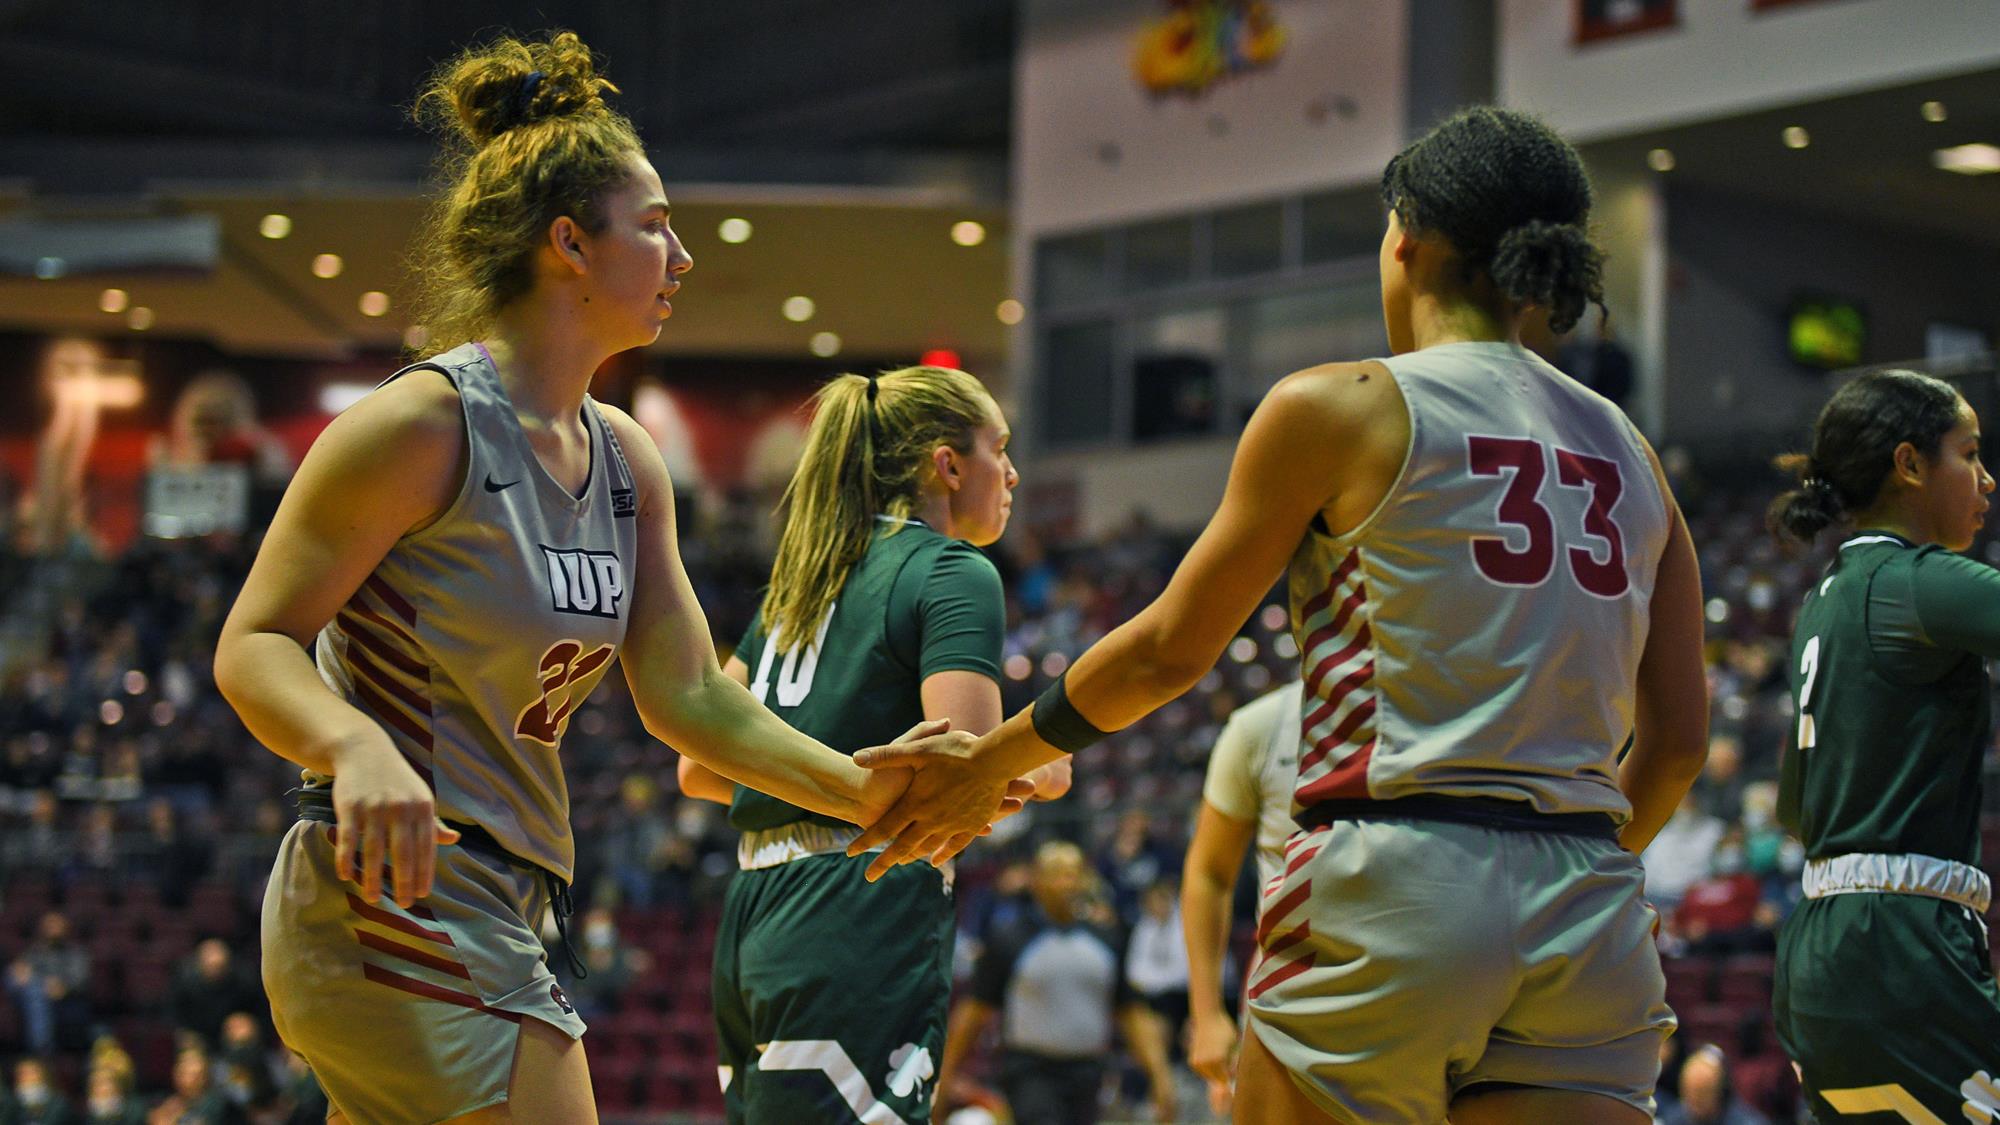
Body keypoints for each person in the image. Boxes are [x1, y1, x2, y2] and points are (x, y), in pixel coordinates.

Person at [210, 32, 1017, 1125]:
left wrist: (860, 791)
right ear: (567, 247)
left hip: (508, 896)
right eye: (653, 226)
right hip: (387, 891)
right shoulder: (419, 425)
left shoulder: (628, 460)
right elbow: (253, 642)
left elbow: (690, 698)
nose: (682, 256)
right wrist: (352, 744)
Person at [855, 105, 1710, 1124]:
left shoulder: (1340, 405)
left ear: (1406, 241)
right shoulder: (1631, 451)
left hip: (1398, 876)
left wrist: (983, 767)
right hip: (1587, 903)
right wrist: (1576, 868)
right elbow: (1676, 746)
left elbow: (1170, 651)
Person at [676, 364, 1068, 1122]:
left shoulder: (802, 581)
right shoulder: (953, 568)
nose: (1014, 472)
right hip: (859, 902)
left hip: (754, 909)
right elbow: (964, 773)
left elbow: (698, 766)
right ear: (947, 465)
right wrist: (1046, 764)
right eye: (1000, 447)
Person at [1765, 368, 2000, 1121]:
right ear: (1909, 465)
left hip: (1820, 947)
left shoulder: (1822, 600)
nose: (1987, 478)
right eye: (1969, 453)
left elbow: (1794, 809)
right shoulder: (1914, 582)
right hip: (1900, 948)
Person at [934, 841, 1174, 1125]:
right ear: (1037, 880)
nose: (1065, 882)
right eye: (1056, 873)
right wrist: (944, 1076)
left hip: (1088, 1072)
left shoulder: (1107, 938)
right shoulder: (1010, 938)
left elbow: (1131, 1013)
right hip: (1030, 1071)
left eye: (1072, 873)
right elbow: (973, 1013)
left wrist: (1160, 1076)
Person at [1180, 679, 1304, 1116]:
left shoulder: (1442, 709)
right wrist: (1207, 1015)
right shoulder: (1264, 725)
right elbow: (1209, 872)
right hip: (1290, 1002)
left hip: (1426, 995)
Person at [1655, 1044, 1770, 1125]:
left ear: (1720, 1092)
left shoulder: (1749, 1122)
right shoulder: (1672, 1119)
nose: (1694, 1101)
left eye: (1702, 1092)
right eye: (1689, 1092)